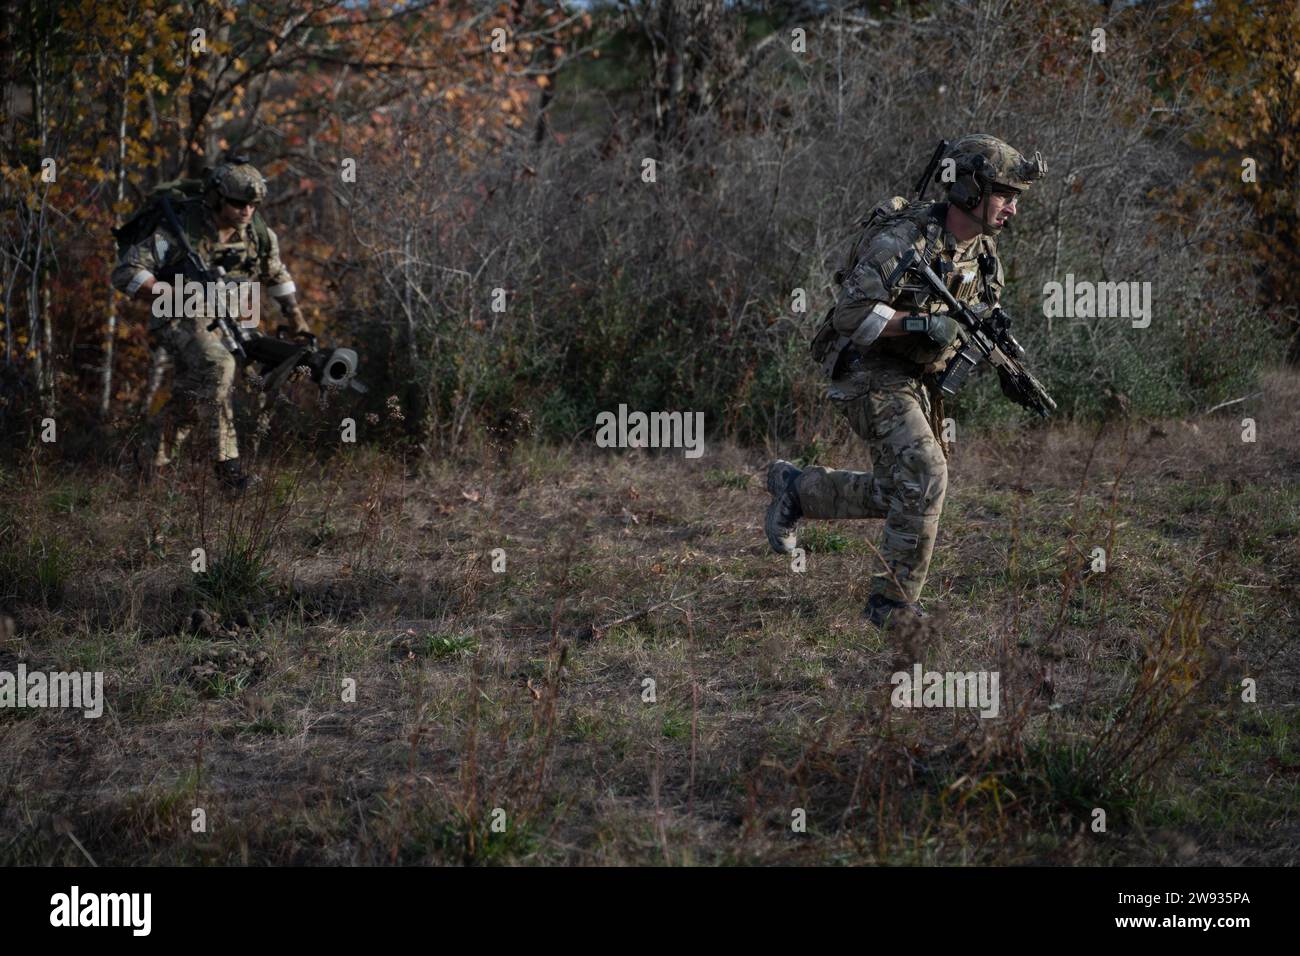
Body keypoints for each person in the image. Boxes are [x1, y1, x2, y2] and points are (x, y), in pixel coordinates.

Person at [765, 134, 1047, 626]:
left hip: (916, 378)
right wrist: (918, 324)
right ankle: (891, 604)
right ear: (970, 190)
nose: (1013, 210)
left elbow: (982, 317)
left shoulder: (984, 257)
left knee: (906, 492)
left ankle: (797, 489)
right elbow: (850, 313)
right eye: (1006, 195)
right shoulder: (904, 240)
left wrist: (1002, 366)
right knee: (927, 472)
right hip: (865, 368)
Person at [111, 156, 312, 493]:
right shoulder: (181, 229)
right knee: (218, 367)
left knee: (194, 396)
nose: (246, 211)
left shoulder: (258, 234)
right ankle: (229, 471)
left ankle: (144, 462)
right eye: (237, 203)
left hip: (235, 320)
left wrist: (298, 321)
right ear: (217, 198)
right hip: (178, 315)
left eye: (252, 204)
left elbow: (276, 273)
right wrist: (171, 293)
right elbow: (126, 272)